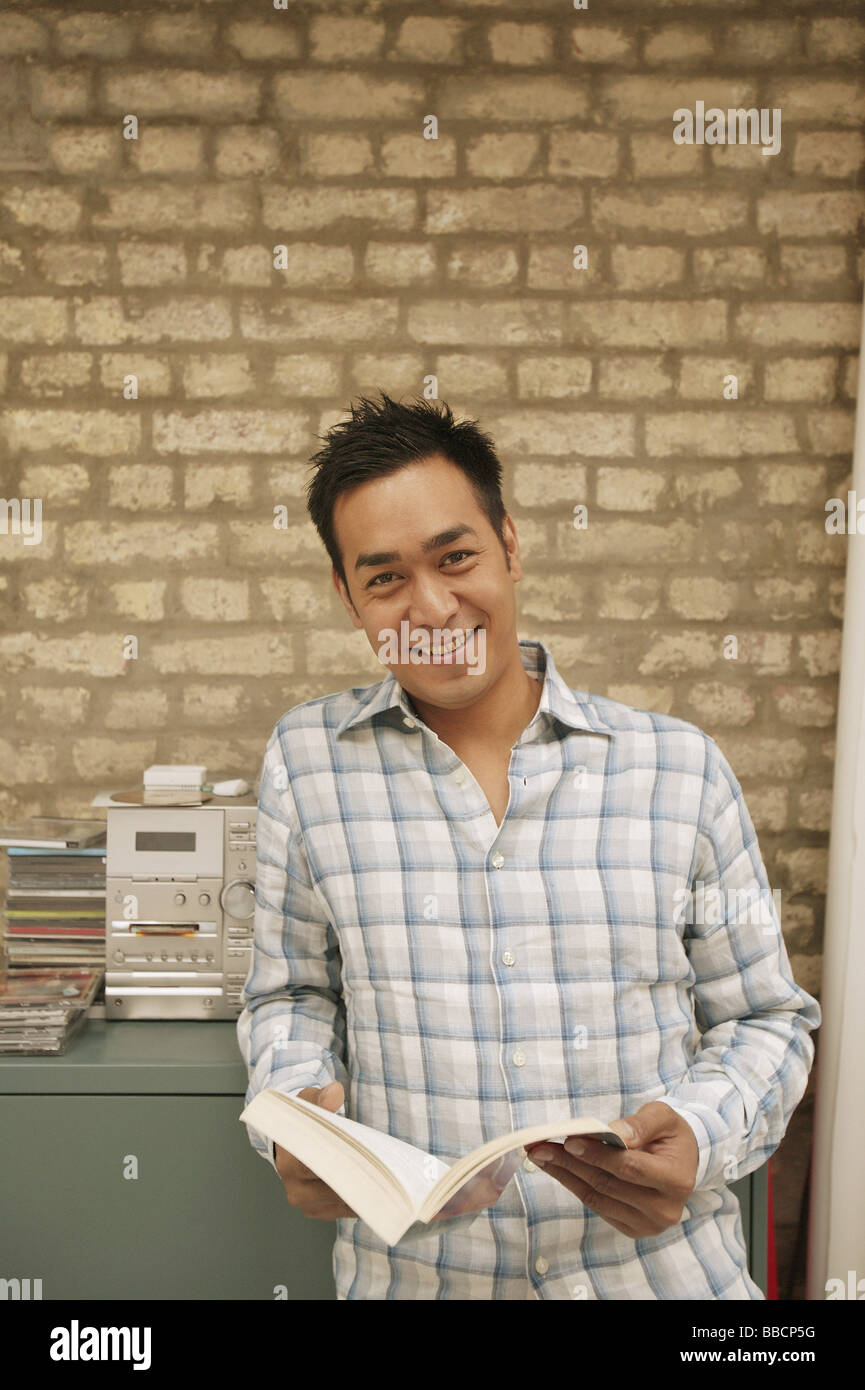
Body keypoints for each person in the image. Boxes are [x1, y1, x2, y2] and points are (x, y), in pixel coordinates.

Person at [237, 392, 821, 1300]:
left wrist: (703, 1132)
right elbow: (291, 992)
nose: (431, 604)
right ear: (347, 598)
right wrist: (294, 1114)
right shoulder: (306, 763)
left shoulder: (679, 767)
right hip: (421, 1280)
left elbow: (767, 1020)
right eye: (385, 578)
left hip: (663, 1283)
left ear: (509, 545)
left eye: (455, 556)